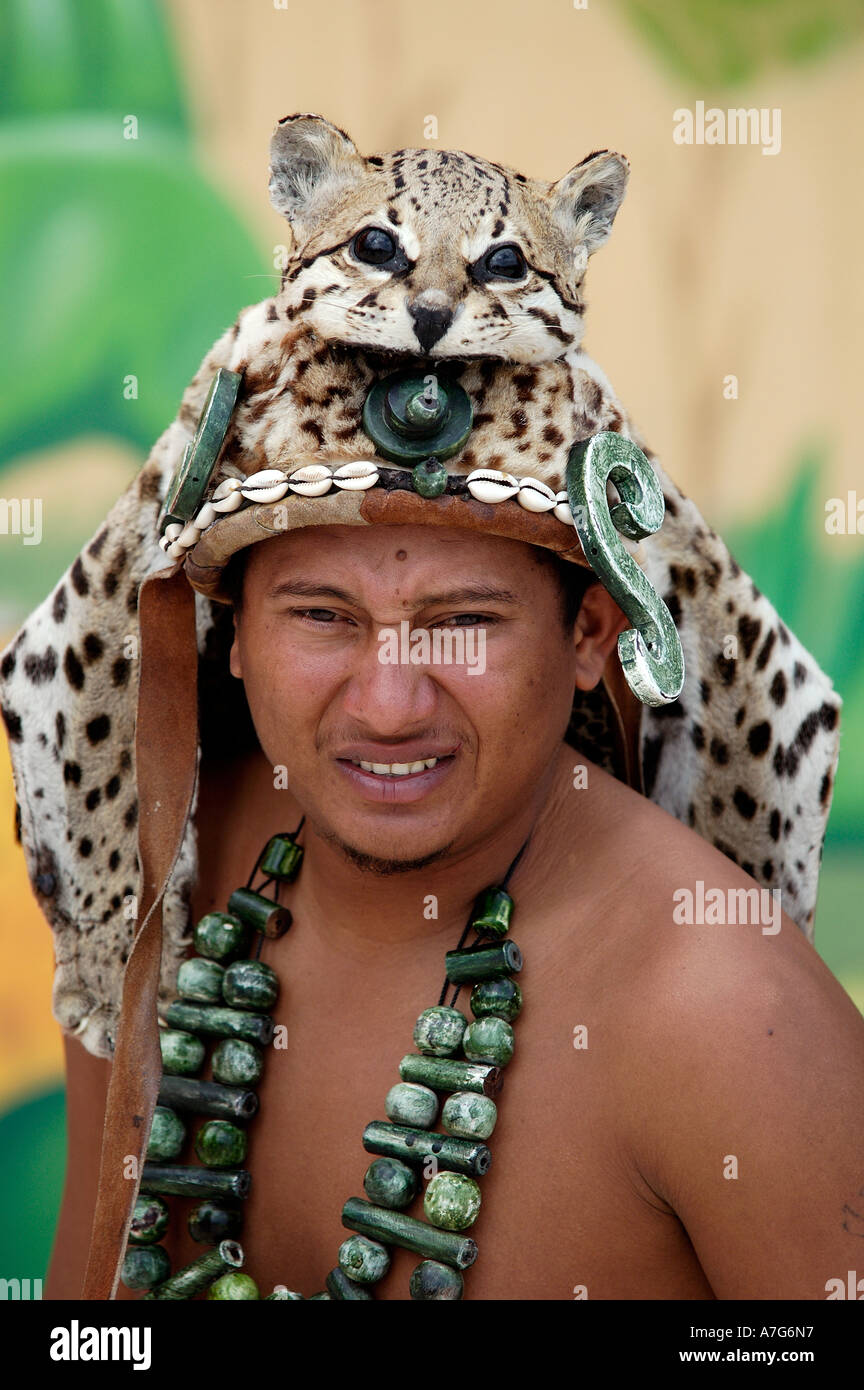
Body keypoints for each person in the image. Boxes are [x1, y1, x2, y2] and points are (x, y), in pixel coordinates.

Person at [43, 517, 864, 1301]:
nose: (388, 708)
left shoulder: (729, 1016)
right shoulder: (151, 884)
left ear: (589, 633)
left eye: (464, 621)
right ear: (235, 630)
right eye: (323, 615)